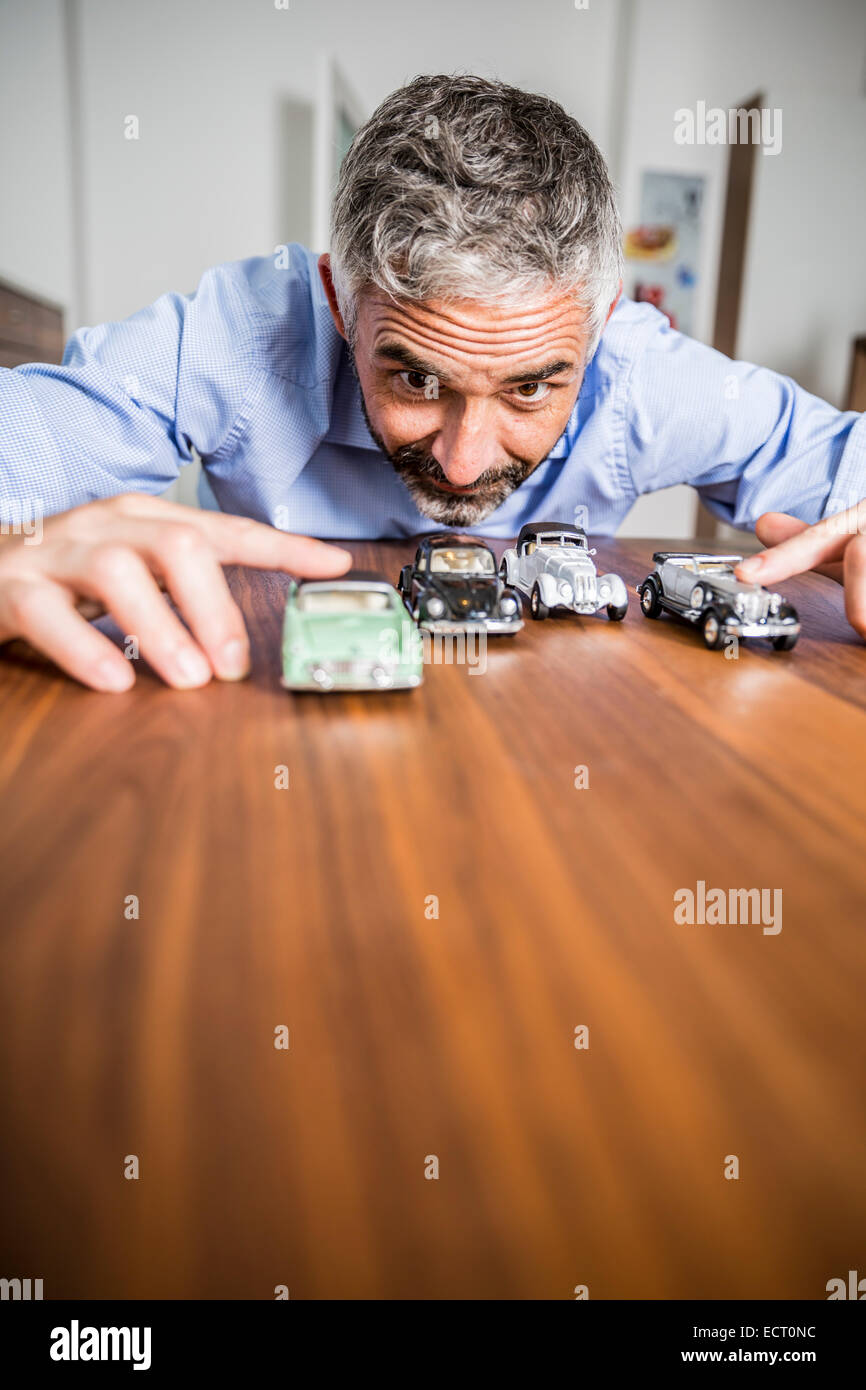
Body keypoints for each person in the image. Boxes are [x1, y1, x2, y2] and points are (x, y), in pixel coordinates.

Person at [1, 74, 863, 691]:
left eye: (530, 389)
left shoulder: (645, 376)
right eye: (416, 378)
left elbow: (846, 466)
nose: (461, 464)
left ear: (600, 326)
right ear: (341, 303)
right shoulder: (240, 333)